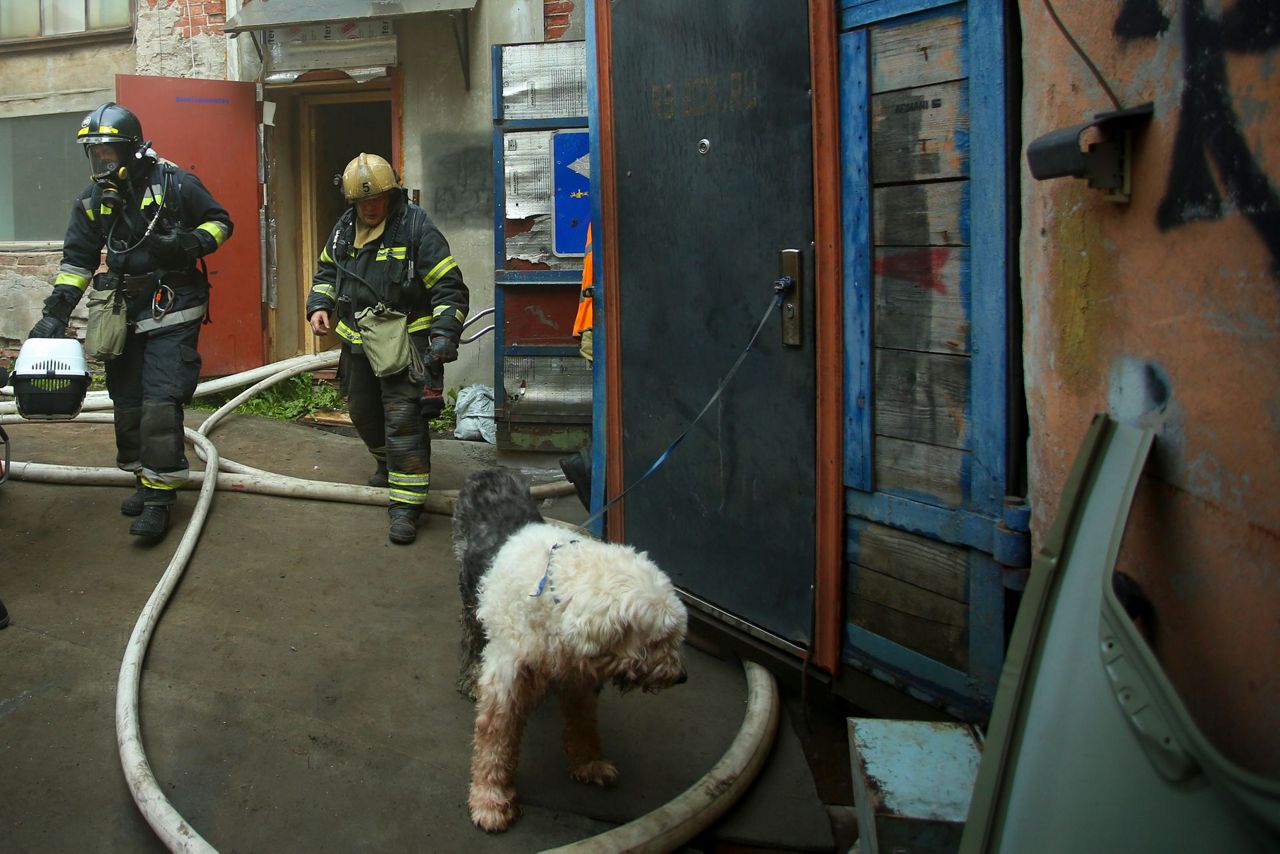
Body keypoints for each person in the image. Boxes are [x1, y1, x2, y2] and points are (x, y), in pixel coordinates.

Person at [27, 102, 232, 543]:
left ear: (133, 149)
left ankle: (160, 498)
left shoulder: (176, 184)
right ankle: (145, 477)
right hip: (123, 311)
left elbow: (220, 223)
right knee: (128, 402)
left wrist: (188, 244)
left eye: (109, 152)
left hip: (173, 306)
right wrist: (55, 313)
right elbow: (77, 261)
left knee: (160, 400)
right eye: (95, 153)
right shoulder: (92, 201)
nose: (102, 161)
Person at [306, 153, 469, 545]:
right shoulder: (344, 229)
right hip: (359, 342)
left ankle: (406, 507)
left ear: (392, 193)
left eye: (377, 199)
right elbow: (327, 272)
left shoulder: (416, 227)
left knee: (404, 421)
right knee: (363, 414)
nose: (370, 207)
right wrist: (320, 305)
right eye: (362, 201)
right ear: (352, 202)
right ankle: (387, 464)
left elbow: (449, 287)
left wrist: (444, 335)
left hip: (405, 340)